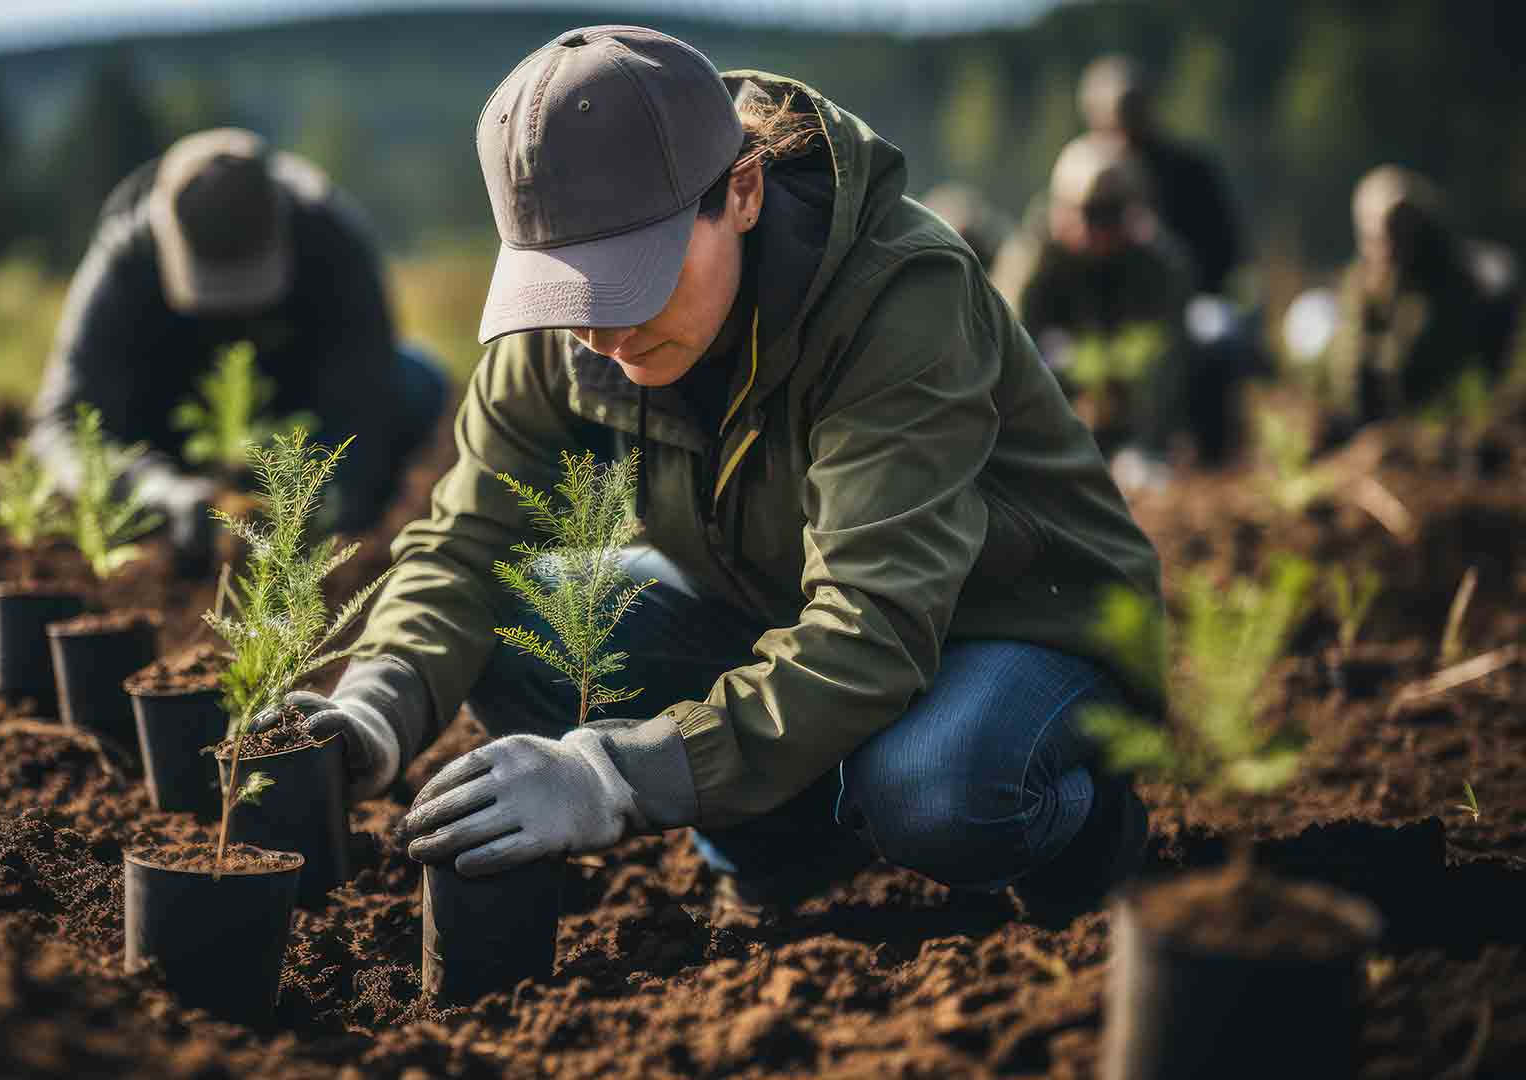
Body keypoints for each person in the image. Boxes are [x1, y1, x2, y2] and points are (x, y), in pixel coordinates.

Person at [269, 26, 1166, 922]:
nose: (601, 333)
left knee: (934, 789)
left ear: (742, 191)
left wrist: (615, 774)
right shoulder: (573, 327)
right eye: (568, 286)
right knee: (521, 623)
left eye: (633, 276)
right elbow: (466, 542)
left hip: (1019, 619)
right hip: (782, 601)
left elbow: (875, 623)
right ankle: (787, 846)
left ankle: (1085, 832)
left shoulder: (897, 297)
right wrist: (378, 704)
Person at [27, 128, 448, 569]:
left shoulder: (329, 234)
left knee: (420, 382)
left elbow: (368, 401)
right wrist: (159, 493)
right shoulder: (126, 255)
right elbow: (60, 426)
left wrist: (319, 505)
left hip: (302, 432)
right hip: (169, 441)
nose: (234, 315)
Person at [992, 133, 1195, 484]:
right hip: (1054, 394)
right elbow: (1006, 352)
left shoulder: (1159, 267)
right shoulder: (1030, 261)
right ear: (1060, 210)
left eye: (1111, 214)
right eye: (1089, 213)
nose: (1097, 230)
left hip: (1128, 399)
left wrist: (1147, 441)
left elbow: (1171, 357)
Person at [1320, 165, 1518, 435]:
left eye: (1400, 227)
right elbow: (1350, 360)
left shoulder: (1449, 274)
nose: (1391, 242)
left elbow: (1430, 358)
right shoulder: (1361, 281)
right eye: (1379, 234)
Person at [1078, 55, 1240, 297]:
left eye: (1135, 113)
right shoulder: (1078, 182)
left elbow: (1224, 254)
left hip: (1188, 298)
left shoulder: (1190, 174)